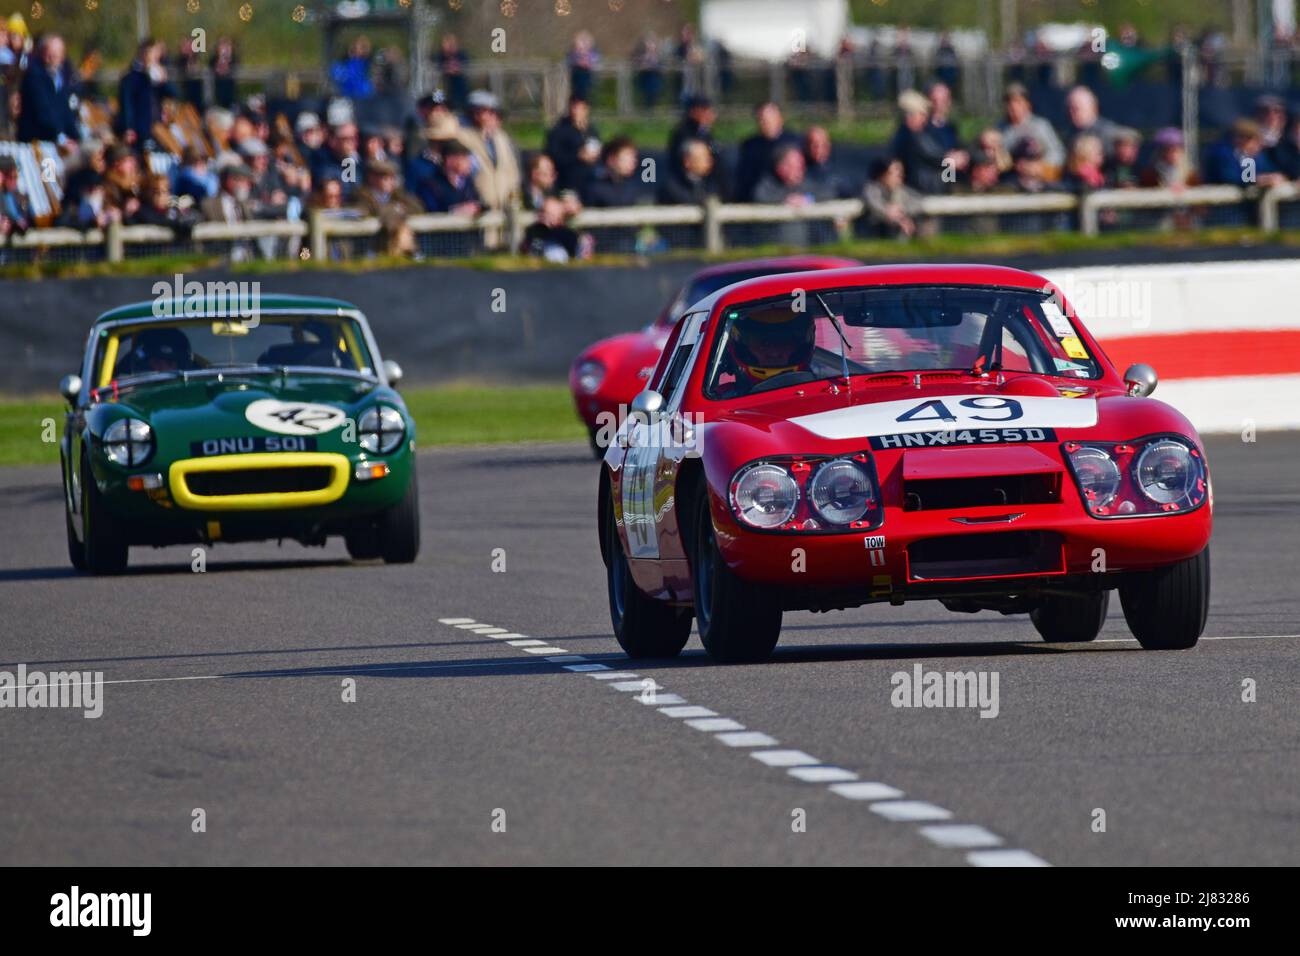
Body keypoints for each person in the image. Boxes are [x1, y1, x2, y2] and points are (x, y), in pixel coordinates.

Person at [714, 306, 815, 397]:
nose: (774, 353)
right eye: (763, 343)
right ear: (741, 346)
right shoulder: (715, 401)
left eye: (784, 342)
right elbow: (699, 416)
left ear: (803, 344)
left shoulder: (828, 386)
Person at [459, 90, 521, 212]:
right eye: (482, 110)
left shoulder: (501, 138)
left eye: (491, 111)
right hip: (481, 206)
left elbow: (512, 172)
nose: (487, 115)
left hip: (505, 208)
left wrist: (514, 199)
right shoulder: (463, 137)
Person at [17, 33, 78, 146]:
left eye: (56, 54)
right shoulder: (34, 76)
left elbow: (66, 110)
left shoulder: (62, 77)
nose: (52, 58)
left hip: (58, 138)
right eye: (49, 53)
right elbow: (43, 111)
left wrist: (75, 137)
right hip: (38, 141)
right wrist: (62, 139)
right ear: (41, 53)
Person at [352, 159, 423, 256]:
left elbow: (418, 207)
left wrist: (399, 209)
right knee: (401, 229)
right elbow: (365, 211)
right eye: (384, 177)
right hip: (371, 246)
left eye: (392, 177)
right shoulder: (362, 195)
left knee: (402, 229)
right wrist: (396, 209)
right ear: (372, 178)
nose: (389, 181)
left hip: (395, 242)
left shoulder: (398, 194)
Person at [734, 101, 800, 202]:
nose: (766, 123)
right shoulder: (750, 146)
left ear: (779, 118)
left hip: (788, 197)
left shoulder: (794, 142)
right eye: (762, 120)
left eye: (770, 119)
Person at [890, 89, 948, 195]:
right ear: (909, 116)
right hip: (920, 194)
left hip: (930, 192)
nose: (925, 119)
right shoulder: (908, 138)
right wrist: (951, 160)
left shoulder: (924, 134)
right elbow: (938, 158)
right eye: (922, 114)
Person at [999, 83, 1064, 174]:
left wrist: (1039, 165)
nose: (1013, 107)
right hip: (1010, 177)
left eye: (1018, 102)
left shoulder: (1041, 126)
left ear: (1027, 104)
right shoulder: (1000, 129)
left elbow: (1058, 154)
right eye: (1009, 103)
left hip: (1038, 177)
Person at [1204, 118, 1287, 187]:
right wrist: (1256, 180)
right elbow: (1228, 177)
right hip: (1221, 204)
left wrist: (1276, 176)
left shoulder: (1256, 157)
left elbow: (1269, 170)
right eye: (1254, 140)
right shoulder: (1222, 153)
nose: (1258, 144)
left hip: (1248, 204)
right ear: (1240, 139)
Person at [117, 38, 167, 151]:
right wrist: (129, 127)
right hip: (141, 128)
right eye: (151, 53)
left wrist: (163, 80)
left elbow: (172, 94)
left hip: (157, 127)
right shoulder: (131, 77)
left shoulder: (156, 75)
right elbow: (126, 103)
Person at [545, 93, 599, 192]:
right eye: (574, 107)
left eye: (580, 108)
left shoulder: (592, 131)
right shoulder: (559, 131)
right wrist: (577, 155)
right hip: (568, 179)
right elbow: (553, 156)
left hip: (591, 180)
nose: (576, 112)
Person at [415, 140, 480, 215]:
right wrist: (454, 212)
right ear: (450, 160)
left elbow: (476, 200)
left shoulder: (468, 182)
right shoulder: (430, 184)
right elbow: (430, 211)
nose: (469, 162)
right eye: (464, 158)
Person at [862, 157, 922, 238]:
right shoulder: (870, 189)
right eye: (894, 173)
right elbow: (874, 203)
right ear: (882, 174)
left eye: (901, 173)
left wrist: (901, 210)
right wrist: (890, 212)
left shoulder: (901, 190)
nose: (900, 176)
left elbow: (918, 201)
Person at [583, 137, 648, 207]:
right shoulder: (595, 189)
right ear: (611, 159)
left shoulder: (632, 188)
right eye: (627, 155)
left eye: (633, 157)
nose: (633, 161)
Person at [658, 138, 725, 204]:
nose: (709, 162)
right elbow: (684, 201)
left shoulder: (713, 183)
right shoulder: (672, 186)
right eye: (702, 158)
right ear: (687, 162)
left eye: (708, 158)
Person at [520, 195, 584, 261]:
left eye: (551, 215)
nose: (546, 217)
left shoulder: (569, 235)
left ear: (560, 218)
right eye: (544, 212)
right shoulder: (534, 232)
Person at [666, 94, 716, 179]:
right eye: (705, 110)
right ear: (693, 112)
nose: (710, 114)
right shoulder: (683, 134)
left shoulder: (705, 132)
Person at [1063, 85, 1121, 158]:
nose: (1071, 113)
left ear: (1093, 108)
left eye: (1076, 109)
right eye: (1069, 108)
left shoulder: (1109, 134)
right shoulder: (1069, 134)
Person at [127, 327, 192, 374]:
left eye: (169, 363)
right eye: (157, 362)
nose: (163, 368)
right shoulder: (128, 385)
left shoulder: (195, 383)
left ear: (180, 365)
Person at [0, 154, 32, 237]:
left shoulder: (16, 196)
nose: (14, 182)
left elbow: (24, 223)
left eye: (15, 177)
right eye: (10, 177)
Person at [436, 34, 469, 110]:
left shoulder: (461, 55)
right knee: (438, 104)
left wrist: (454, 69)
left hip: (458, 89)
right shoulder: (440, 56)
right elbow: (437, 66)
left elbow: (465, 65)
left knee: (459, 107)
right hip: (441, 88)